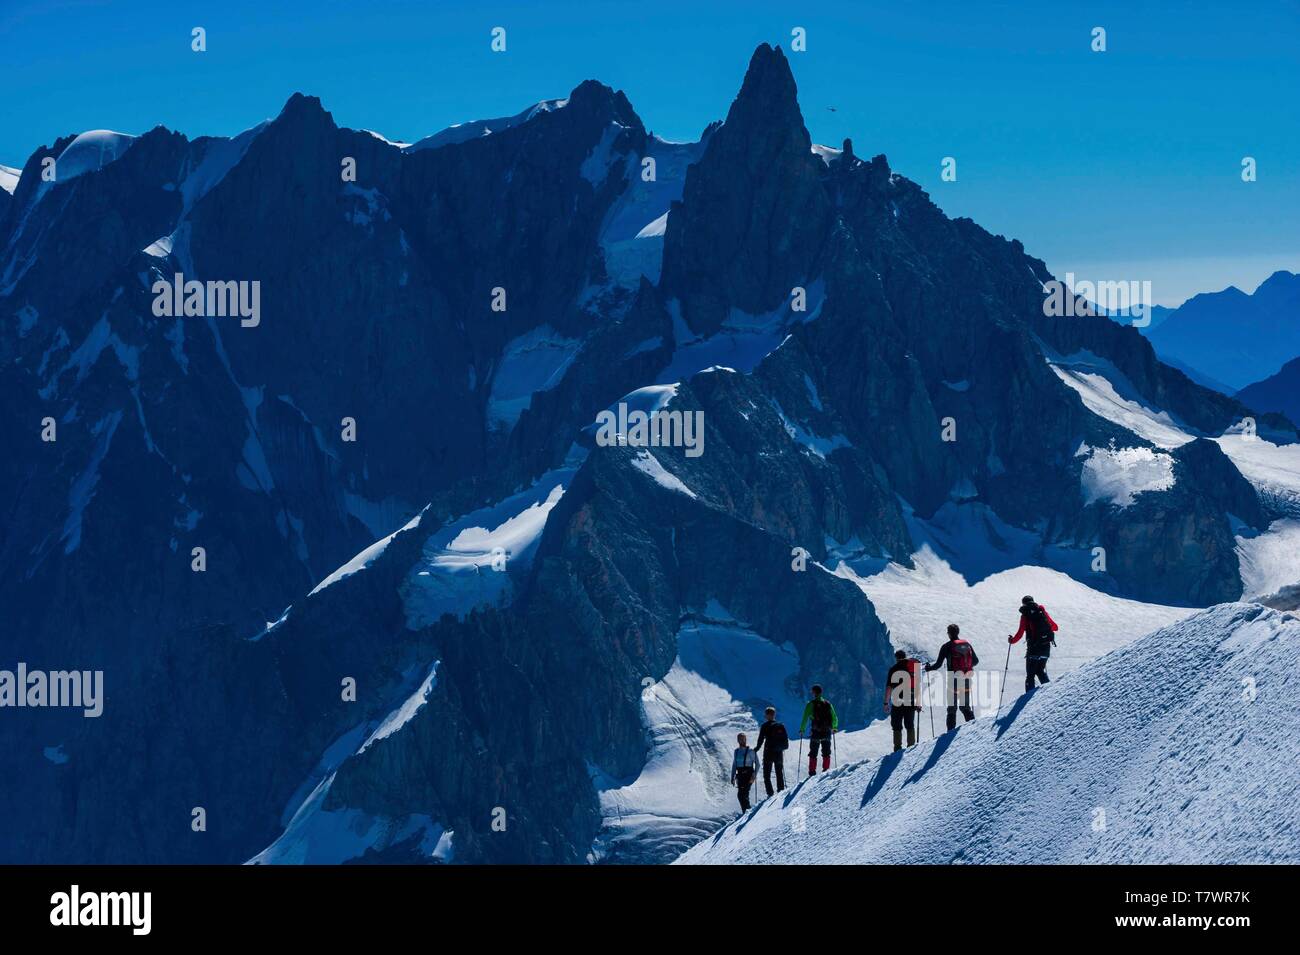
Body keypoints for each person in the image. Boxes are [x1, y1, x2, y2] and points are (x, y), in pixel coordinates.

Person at [925, 624, 978, 731]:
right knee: (965, 707)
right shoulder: (967, 644)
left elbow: (938, 664)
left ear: (949, 633)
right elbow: (976, 661)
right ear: (958, 632)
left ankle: (950, 734)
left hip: (953, 679)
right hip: (966, 678)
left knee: (952, 709)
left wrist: (929, 668)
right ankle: (974, 730)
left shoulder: (946, 646)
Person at [1009, 595, 1058, 692]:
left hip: (1033, 649)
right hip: (1045, 648)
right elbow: (1055, 627)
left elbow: (1020, 632)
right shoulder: (1042, 612)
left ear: (1023, 604)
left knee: (1030, 675)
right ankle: (1051, 694)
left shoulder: (1025, 615)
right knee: (1040, 671)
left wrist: (1012, 640)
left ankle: (1028, 703)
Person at [882, 649, 921, 751]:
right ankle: (911, 747)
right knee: (910, 723)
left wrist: (886, 703)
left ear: (896, 658)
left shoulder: (893, 669)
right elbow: (917, 685)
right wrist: (918, 703)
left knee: (896, 724)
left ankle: (897, 748)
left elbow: (889, 688)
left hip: (897, 698)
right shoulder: (912, 667)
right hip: (910, 697)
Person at [799, 684, 838, 776]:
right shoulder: (828, 704)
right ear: (821, 692)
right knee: (826, 752)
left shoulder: (810, 704)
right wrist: (834, 727)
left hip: (816, 731)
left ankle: (812, 772)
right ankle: (826, 771)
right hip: (827, 731)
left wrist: (802, 729)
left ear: (814, 692)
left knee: (813, 752)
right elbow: (834, 717)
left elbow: (805, 718)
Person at [754, 706, 789, 796]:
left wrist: (756, 749)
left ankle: (770, 793)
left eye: (765, 714)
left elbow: (760, 740)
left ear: (767, 715)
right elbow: (785, 740)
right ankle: (781, 790)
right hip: (778, 753)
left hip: (768, 752)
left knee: (766, 775)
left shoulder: (764, 726)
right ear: (774, 715)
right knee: (779, 772)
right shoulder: (780, 725)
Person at [730, 732, 758, 810]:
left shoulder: (751, 751)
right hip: (740, 776)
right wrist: (732, 777)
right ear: (737, 740)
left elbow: (758, 764)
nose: (741, 741)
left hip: (748, 775)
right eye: (740, 739)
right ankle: (746, 812)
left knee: (743, 794)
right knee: (741, 795)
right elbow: (734, 764)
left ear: (746, 739)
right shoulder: (736, 751)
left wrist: (754, 776)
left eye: (743, 739)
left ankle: (747, 813)